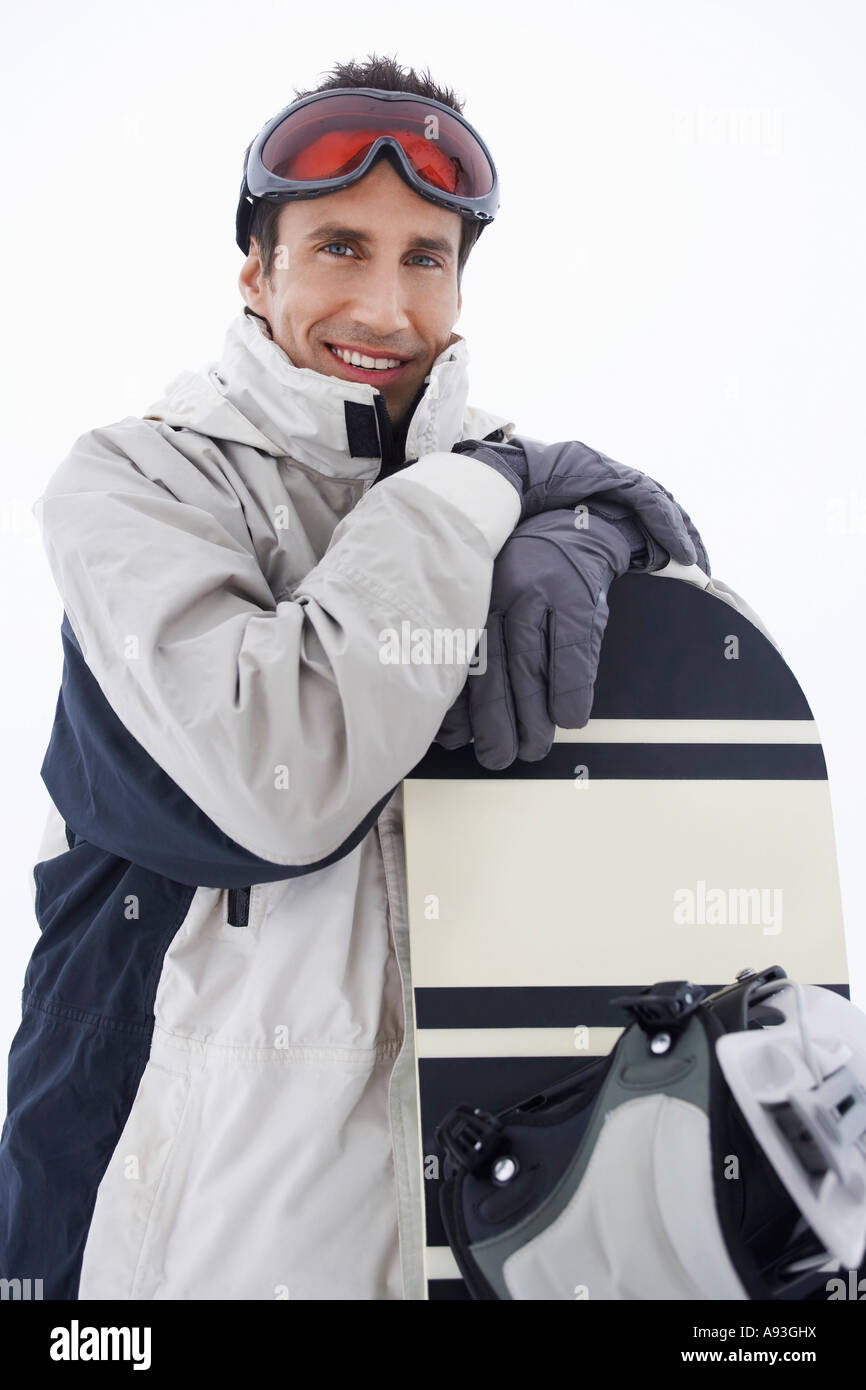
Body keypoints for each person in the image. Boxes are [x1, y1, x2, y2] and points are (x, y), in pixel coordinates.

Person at [0, 53, 777, 1301]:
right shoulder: (137, 486)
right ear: (257, 268)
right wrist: (490, 486)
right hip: (176, 1235)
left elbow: (698, 688)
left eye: (426, 258)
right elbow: (283, 773)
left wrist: (598, 529)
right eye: (340, 248)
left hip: (469, 1220)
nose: (384, 306)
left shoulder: (512, 493)